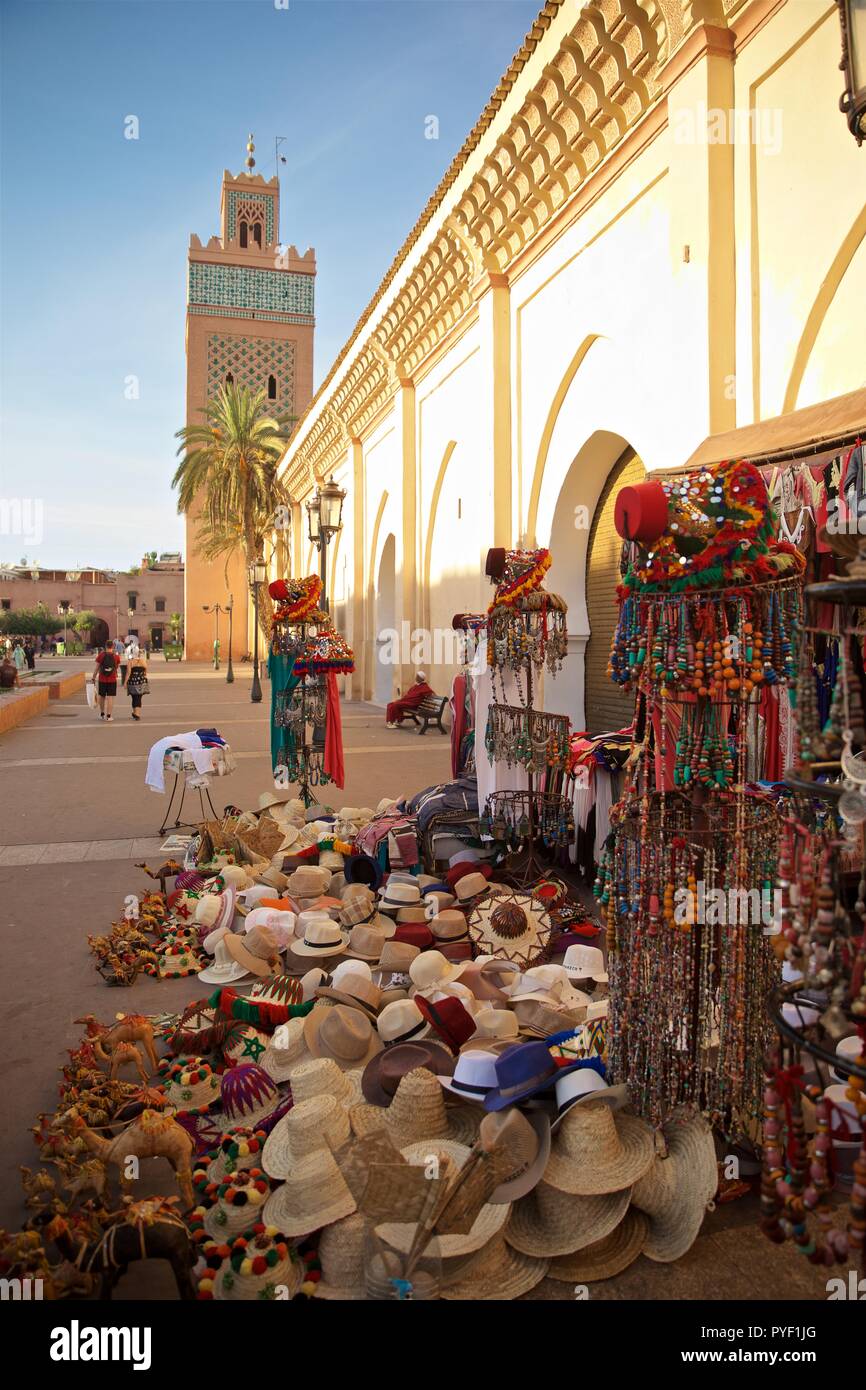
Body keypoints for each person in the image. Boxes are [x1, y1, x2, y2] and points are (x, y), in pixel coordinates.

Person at [94, 641, 120, 721]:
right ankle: (109, 716)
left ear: (105, 646)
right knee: (110, 697)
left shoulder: (101, 655)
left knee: (102, 696)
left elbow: (97, 668)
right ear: (113, 646)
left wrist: (93, 677)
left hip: (102, 679)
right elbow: (116, 668)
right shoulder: (116, 657)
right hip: (112, 679)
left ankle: (102, 714)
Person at [125, 646, 149, 721]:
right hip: (142, 681)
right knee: (139, 697)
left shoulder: (130, 661)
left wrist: (125, 682)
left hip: (133, 682)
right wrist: (143, 677)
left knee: (134, 697)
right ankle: (135, 713)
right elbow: (145, 671)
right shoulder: (143, 660)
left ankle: (136, 713)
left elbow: (128, 673)